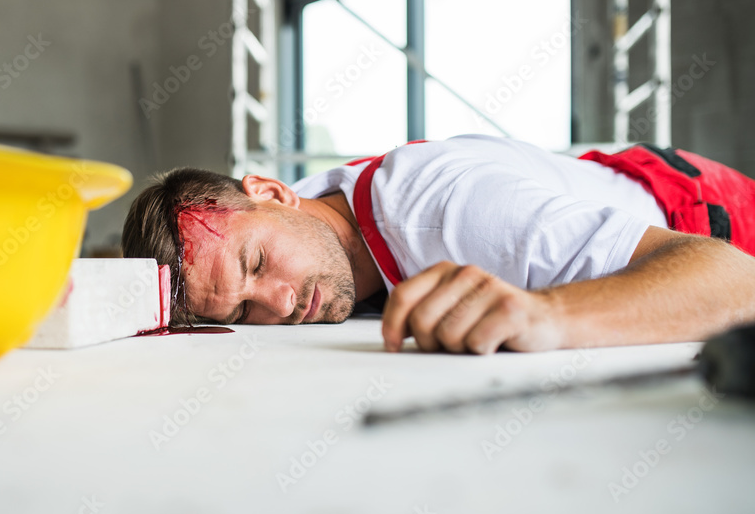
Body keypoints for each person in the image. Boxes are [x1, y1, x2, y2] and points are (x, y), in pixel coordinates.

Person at [121, 135, 755, 354]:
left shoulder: (453, 214)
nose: (280, 302)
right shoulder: (303, 212)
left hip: (705, 214)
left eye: (255, 264)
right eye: (240, 310)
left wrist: (551, 313)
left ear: (272, 191)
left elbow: (737, 284)